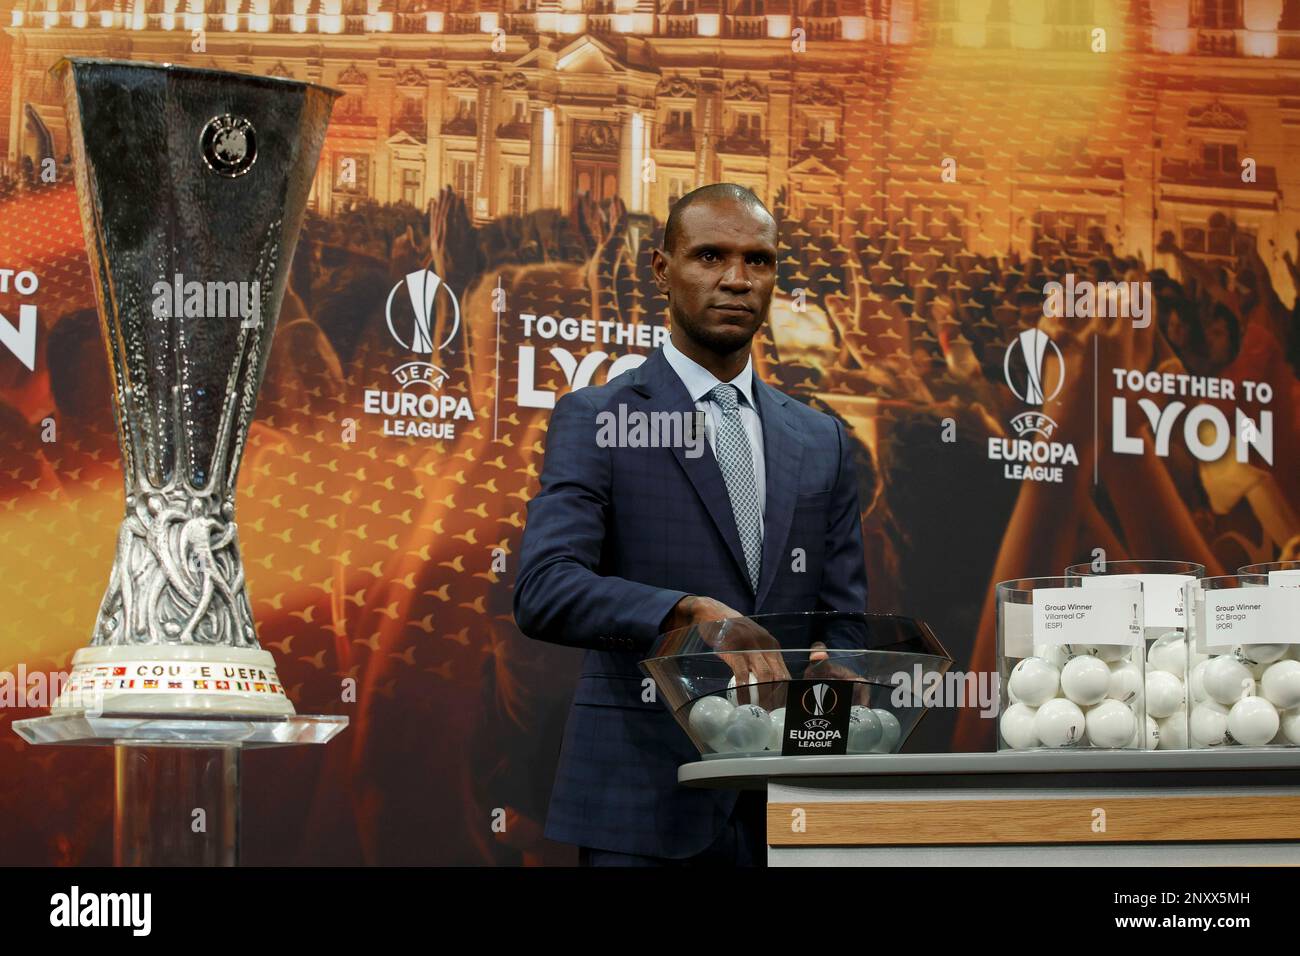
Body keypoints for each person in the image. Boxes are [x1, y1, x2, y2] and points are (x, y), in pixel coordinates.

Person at [512, 183, 870, 866]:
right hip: (643, 803)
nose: (736, 280)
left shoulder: (820, 440)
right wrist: (683, 613)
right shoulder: (598, 418)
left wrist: (837, 671)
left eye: (758, 261)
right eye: (710, 255)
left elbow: (844, 621)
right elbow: (545, 589)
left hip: (785, 811)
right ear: (661, 270)